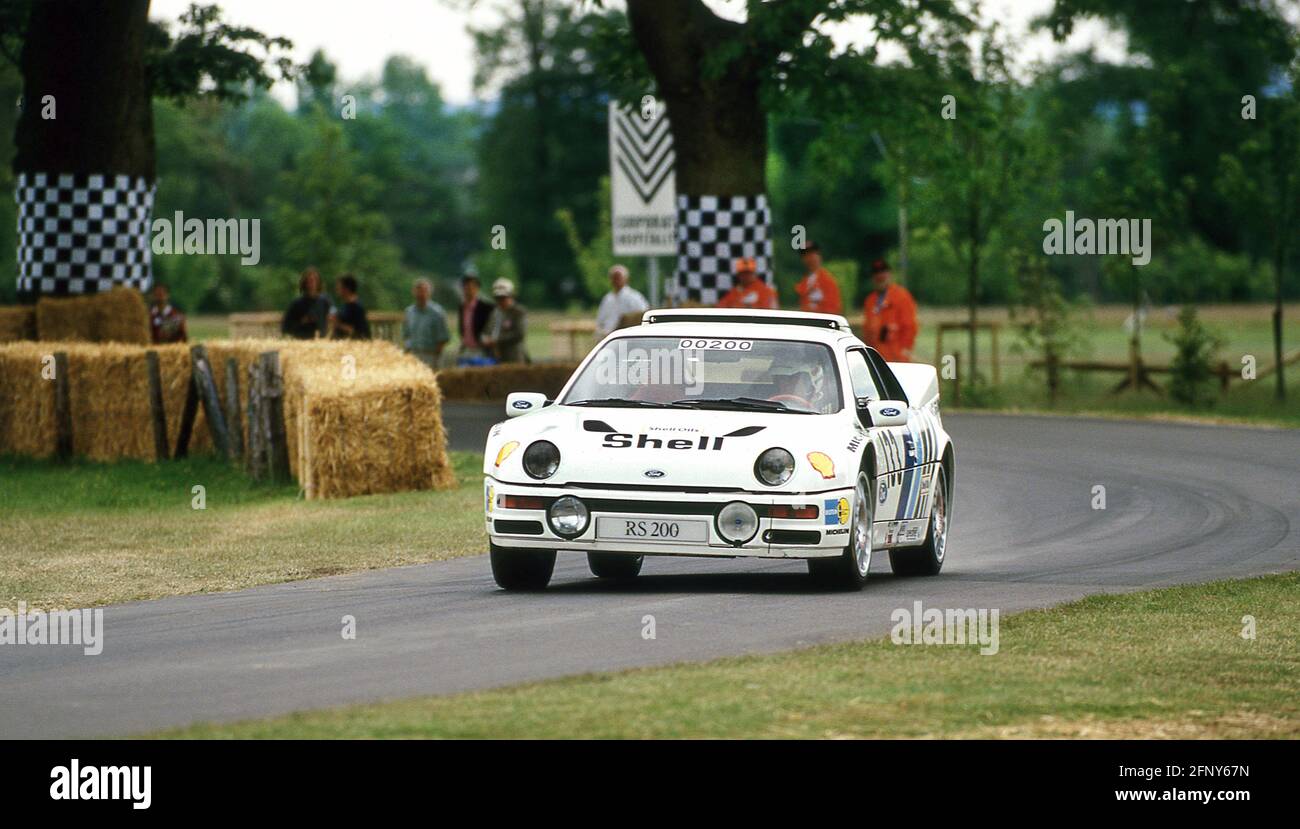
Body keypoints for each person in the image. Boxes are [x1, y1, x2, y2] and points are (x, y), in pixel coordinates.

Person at [861, 258, 918, 362]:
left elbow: (910, 326)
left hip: (896, 356)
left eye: (883, 272)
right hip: (876, 356)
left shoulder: (901, 296)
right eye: (876, 273)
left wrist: (905, 350)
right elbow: (867, 330)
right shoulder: (870, 300)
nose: (880, 276)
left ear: (889, 274)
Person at [402, 278, 450, 369]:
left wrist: (436, 359)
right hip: (413, 355)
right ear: (414, 292)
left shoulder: (437, 313)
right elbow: (406, 335)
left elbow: (443, 339)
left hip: (431, 356)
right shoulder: (409, 312)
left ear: (430, 293)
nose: (421, 294)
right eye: (418, 291)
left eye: (424, 291)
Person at [595, 264, 649, 338]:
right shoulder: (607, 299)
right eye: (614, 278)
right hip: (609, 338)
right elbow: (600, 321)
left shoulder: (634, 297)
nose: (616, 281)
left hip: (627, 338)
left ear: (626, 279)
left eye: (618, 278)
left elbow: (643, 317)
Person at [482, 278, 527, 363]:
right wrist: (484, 338)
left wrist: (496, 340)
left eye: (503, 297)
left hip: (513, 358)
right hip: (495, 357)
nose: (500, 301)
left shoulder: (518, 312)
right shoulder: (495, 312)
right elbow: (487, 330)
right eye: (498, 298)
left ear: (511, 295)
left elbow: (520, 334)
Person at [281, 267, 332, 339]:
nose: (312, 284)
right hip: (303, 340)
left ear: (319, 282)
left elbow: (331, 319)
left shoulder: (325, 301)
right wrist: (302, 322)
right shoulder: (297, 304)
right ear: (304, 283)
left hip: (321, 340)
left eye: (315, 280)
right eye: (310, 281)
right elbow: (286, 327)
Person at [794, 241, 842, 315]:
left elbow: (834, 310)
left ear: (819, 256)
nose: (809, 258)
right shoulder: (804, 283)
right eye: (805, 255)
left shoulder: (828, 281)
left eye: (812, 254)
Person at [457, 274, 493, 356]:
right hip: (466, 349)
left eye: (472, 287)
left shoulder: (486, 307)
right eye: (466, 287)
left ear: (477, 289)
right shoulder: (462, 307)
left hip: (481, 350)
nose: (469, 290)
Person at [330, 274, 371, 340]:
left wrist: (337, 324)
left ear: (347, 289)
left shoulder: (357, 307)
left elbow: (359, 332)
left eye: (339, 287)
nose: (336, 289)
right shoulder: (346, 305)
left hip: (355, 346)